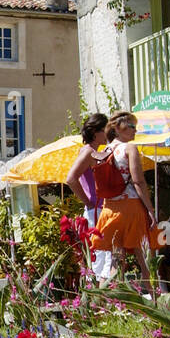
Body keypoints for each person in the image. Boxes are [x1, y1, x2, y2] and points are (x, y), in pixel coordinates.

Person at [91, 111, 156, 290]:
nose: (135, 130)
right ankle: (157, 303)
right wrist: (150, 210)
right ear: (117, 129)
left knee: (115, 262)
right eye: (131, 126)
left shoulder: (103, 151)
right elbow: (138, 181)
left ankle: (105, 303)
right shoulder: (130, 149)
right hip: (131, 208)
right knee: (144, 260)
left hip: (110, 209)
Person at [65, 114, 113, 279]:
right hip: (95, 210)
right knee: (101, 255)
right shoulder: (87, 152)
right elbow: (71, 178)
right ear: (94, 132)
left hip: (99, 209)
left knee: (105, 255)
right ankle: (100, 298)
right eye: (105, 130)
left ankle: (103, 298)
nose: (108, 134)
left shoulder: (93, 152)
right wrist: (88, 201)